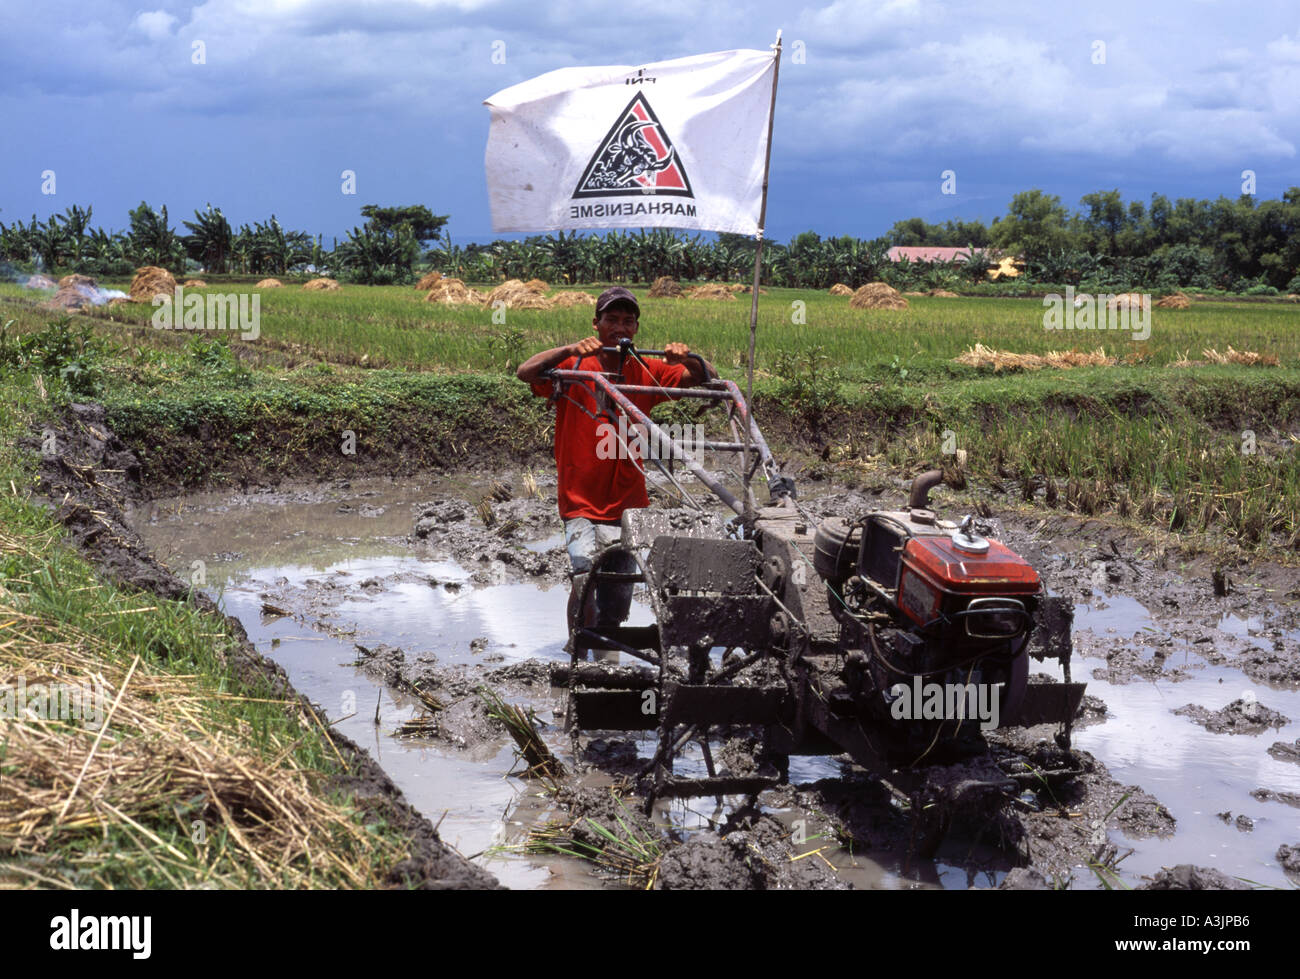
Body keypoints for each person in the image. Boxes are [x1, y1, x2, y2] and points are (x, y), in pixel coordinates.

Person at [516, 286, 716, 640]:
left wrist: (686, 357)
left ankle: (605, 653)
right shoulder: (574, 365)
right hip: (580, 499)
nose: (620, 327)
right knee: (583, 576)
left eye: (628, 321)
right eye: (612, 320)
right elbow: (526, 372)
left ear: (636, 329)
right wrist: (567, 348)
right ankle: (578, 651)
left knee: (618, 594)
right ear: (596, 324)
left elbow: (705, 378)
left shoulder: (645, 368)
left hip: (628, 501)